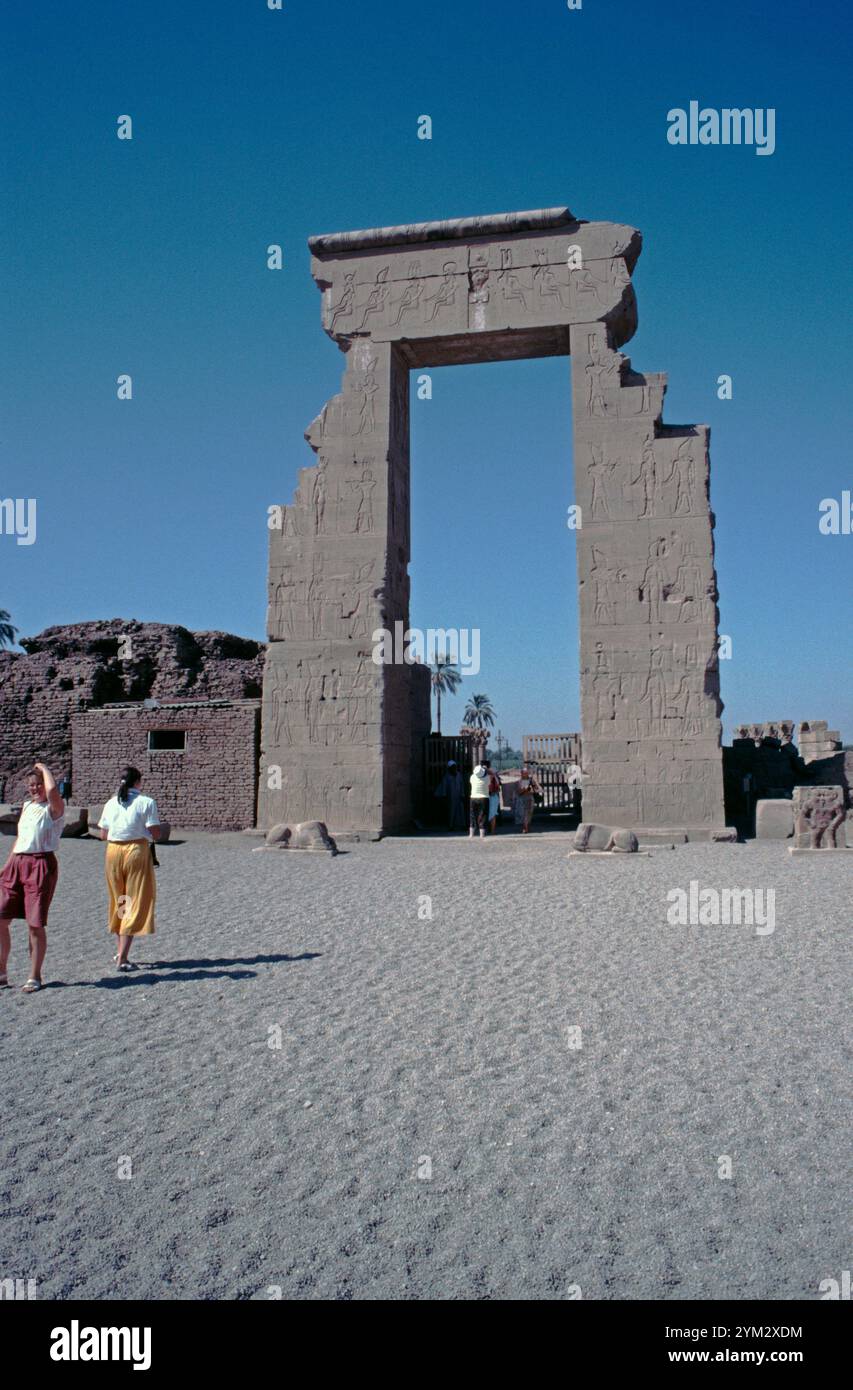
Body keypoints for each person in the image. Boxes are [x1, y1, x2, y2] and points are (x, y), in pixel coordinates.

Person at [0, 762, 65, 992]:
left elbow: (52, 792)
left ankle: (34, 976)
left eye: (38, 784)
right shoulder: (27, 806)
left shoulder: (54, 808)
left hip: (40, 863)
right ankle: (1, 972)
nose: (34, 788)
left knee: (34, 924)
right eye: (31, 785)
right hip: (18, 862)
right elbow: (21, 838)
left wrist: (45, 769)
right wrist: (7, 865)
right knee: (1, 917)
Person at [97, 766, 161, 971]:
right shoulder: (147, 802)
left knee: (120, 898)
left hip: (113, 851)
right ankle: (122, 958)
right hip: (135, 850)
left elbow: (103, 835)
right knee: (134, 898)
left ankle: (121, 950)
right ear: (138, 782)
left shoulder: (110, 803)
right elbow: (155, 832)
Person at [434, 760, 466, 831]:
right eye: (452, 767)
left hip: (459, 796)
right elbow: (444, 787)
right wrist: (444, 795)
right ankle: (451, 826)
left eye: (455, 767)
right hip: (451, 797)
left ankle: (462, 825)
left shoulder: (459, 775)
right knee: (451, 811)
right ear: (449, 768)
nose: (454, 768)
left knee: (461, 811)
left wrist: (462, 794)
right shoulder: (447, 777)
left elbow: (462, 785)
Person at [514, 765, 542, 834]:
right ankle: (525, 827)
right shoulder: (519, 781)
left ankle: (526, 827)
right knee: (523, 813)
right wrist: (524, 789)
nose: (525, 774)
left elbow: (537, 789)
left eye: (526, 773)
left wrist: (531, 789)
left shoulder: (531, 780)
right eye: (524, 773)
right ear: (521, 773)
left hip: (529, 798)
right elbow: (518, 791)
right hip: (522, 799)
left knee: (528, 813)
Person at [468, 762, 491, 839]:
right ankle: (482, 834)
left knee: (472, 815)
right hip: (484, 798)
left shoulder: (472, 777)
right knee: (483, 815)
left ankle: (471, 834)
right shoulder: (487, 778)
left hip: (473, 797)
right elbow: (489, 783)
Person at [485, 759, 502, 834]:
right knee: (492, 814)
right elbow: (498, 788)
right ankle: (492, 830)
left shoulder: (486, 777)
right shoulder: (495, 777)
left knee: (489, 813)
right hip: (494, 796)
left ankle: (490, 830)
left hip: (489, 796)